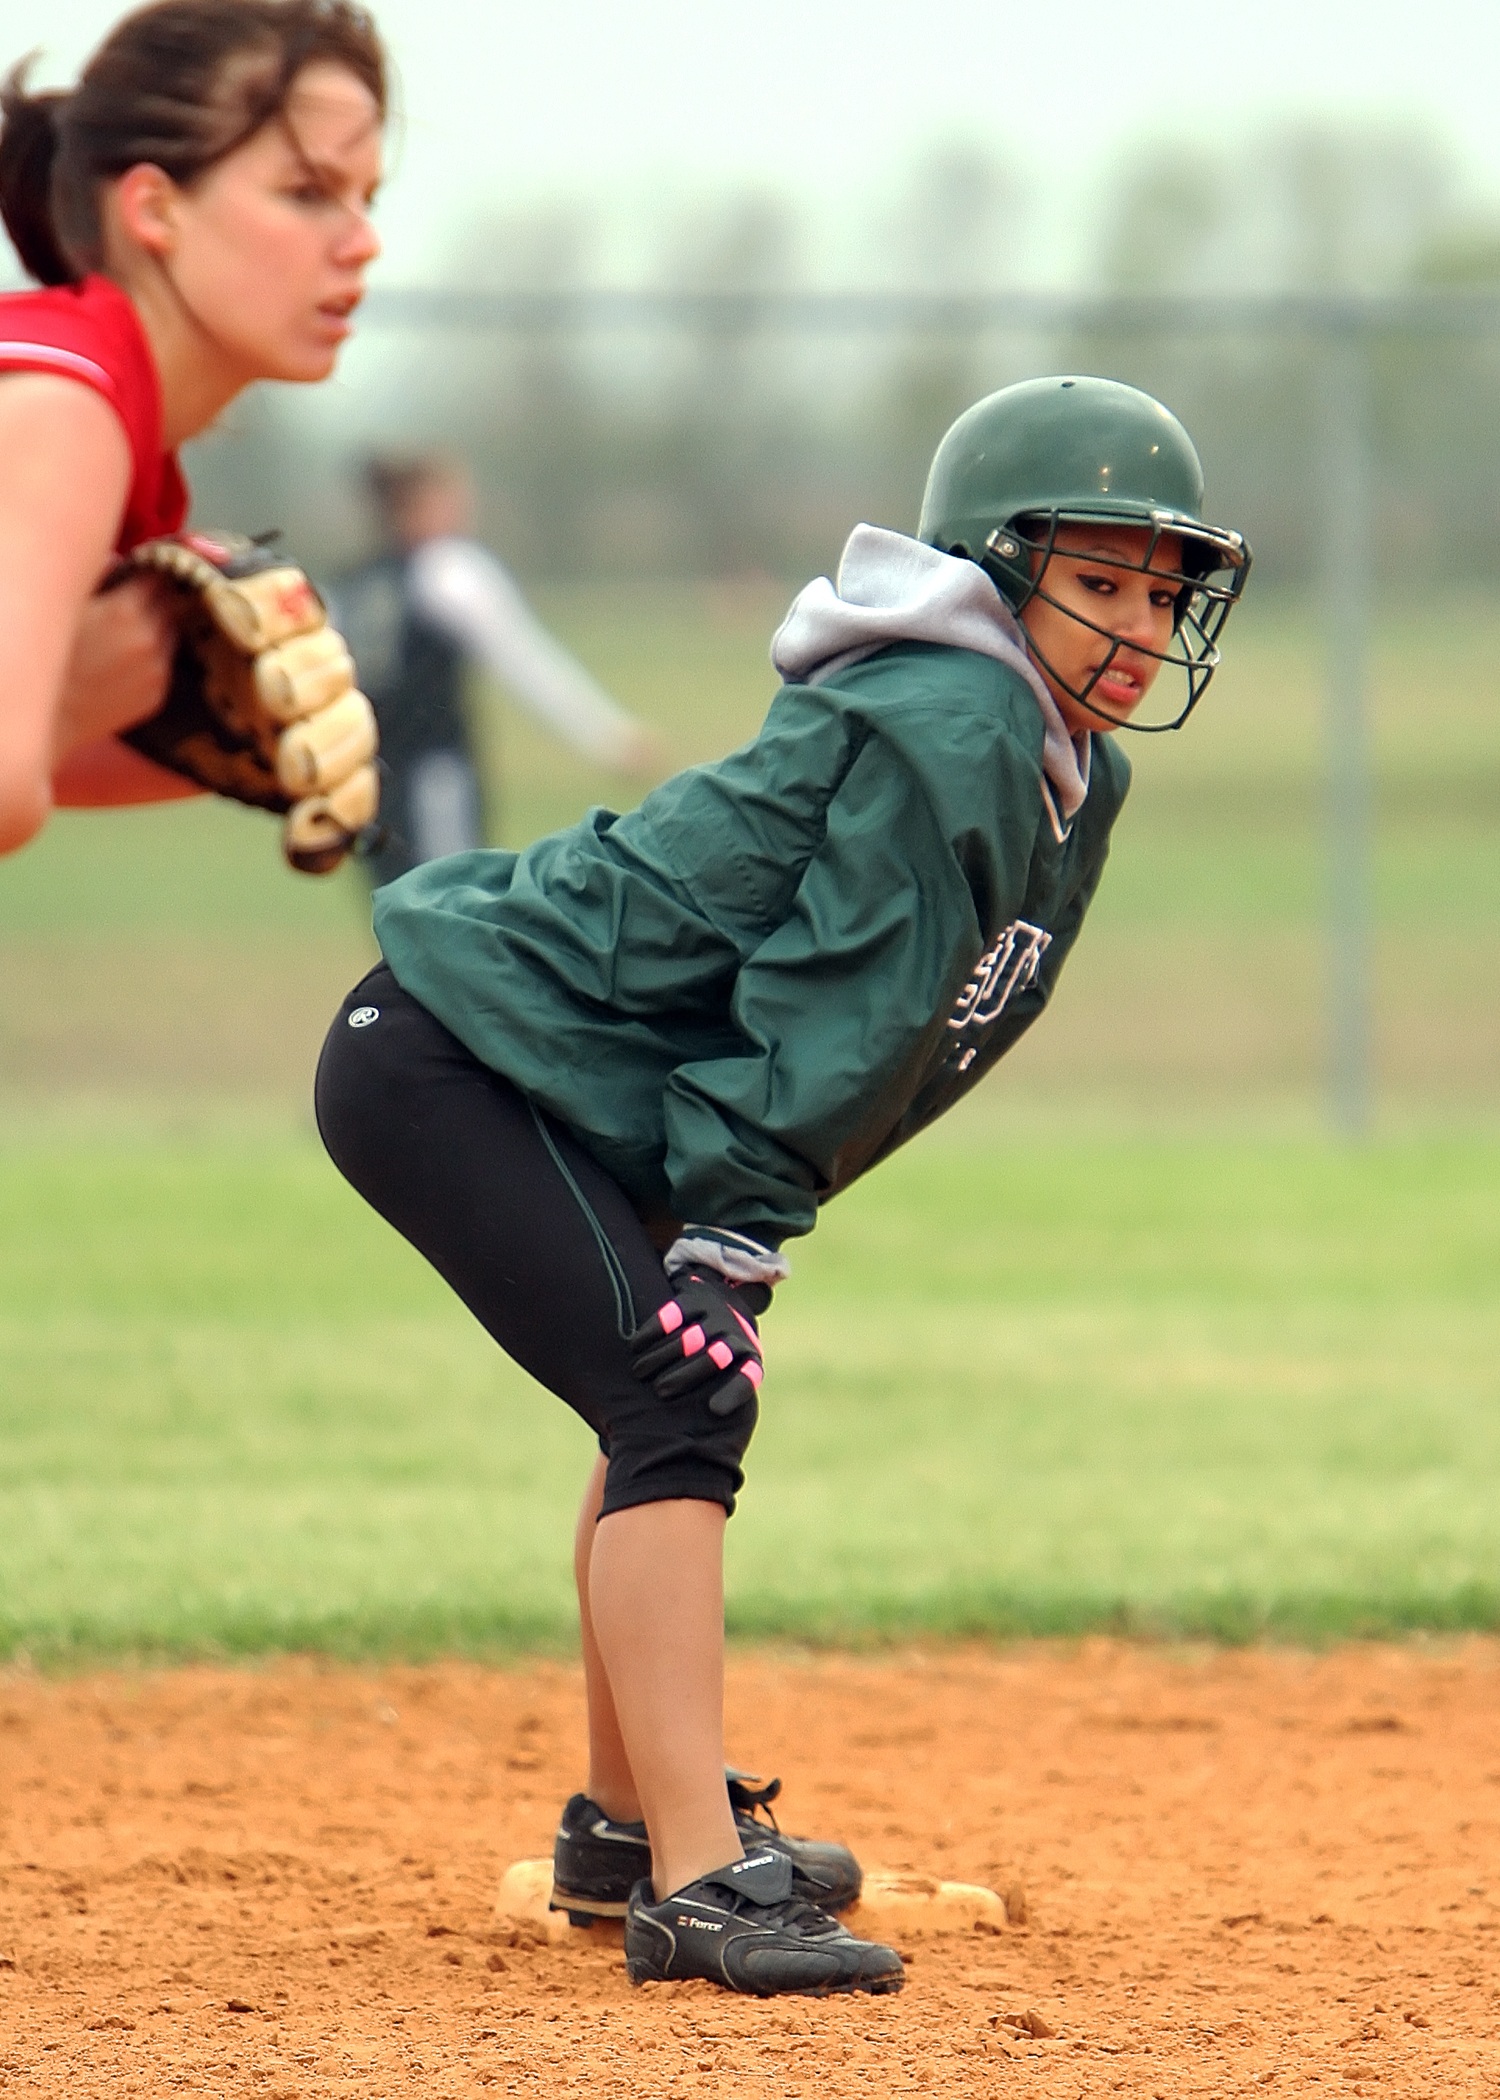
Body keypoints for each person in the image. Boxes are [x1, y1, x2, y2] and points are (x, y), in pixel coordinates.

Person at [314, 375, 1251, 1998]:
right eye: (1096, 583)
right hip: (456, 1056)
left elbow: (920, 1032)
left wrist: (717, 1206)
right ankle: (693, 1886)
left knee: (654, 1402)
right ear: (998, 570)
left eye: (1159, 593)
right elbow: (848, 990)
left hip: (545, 1068)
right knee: (684, 1397)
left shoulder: (1062, 766)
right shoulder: (960, 722)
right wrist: (735, 1233)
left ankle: (625, 1831)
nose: (1133, 630)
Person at [0, 0, 387, 860]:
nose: (363, 242)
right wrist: (64, 707)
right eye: (307, 192)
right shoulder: (64, 414)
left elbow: (36, 769)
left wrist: (163, 725)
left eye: (367, 197)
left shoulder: (93, 402)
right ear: (155, 208)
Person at [329, 454, 659, 886]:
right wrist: (608, 736)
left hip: (366, 787)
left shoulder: (350, 586)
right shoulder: (447, 571)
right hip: (435, 776)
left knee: (399, 923)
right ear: (421, 504)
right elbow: (525, 660)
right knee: (456, 913)